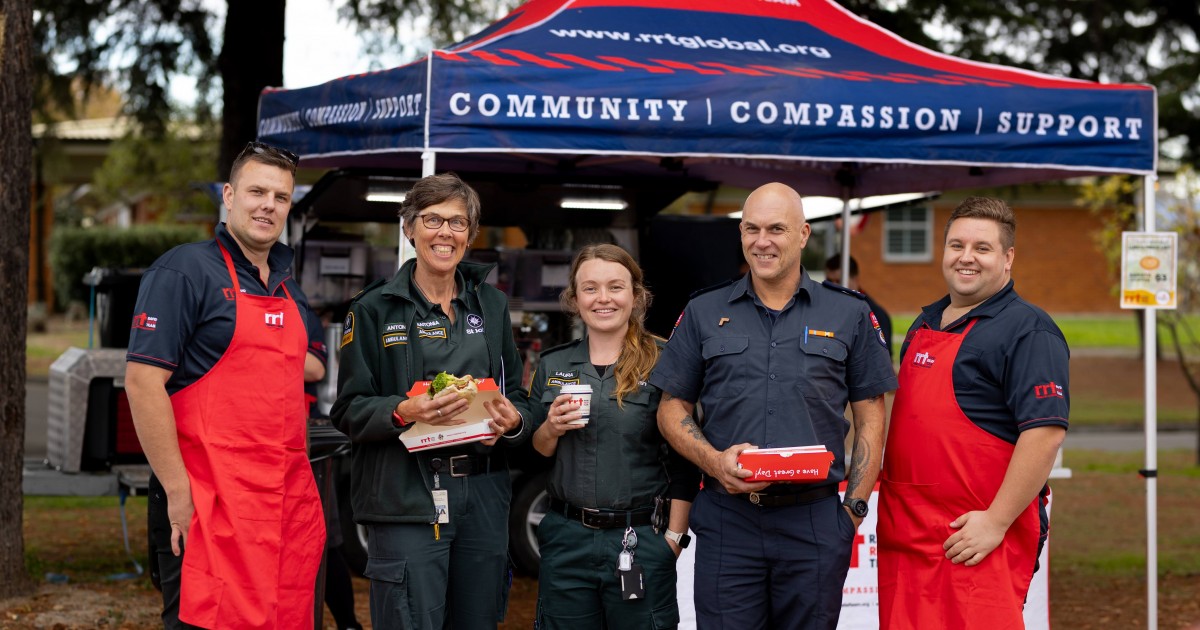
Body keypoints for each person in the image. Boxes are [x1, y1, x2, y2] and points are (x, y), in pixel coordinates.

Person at [650, 182, 897, 630]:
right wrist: (714, 461)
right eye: (751, 229)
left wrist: (853, 512)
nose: (762, 241)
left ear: (804, 234)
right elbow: (671, 408)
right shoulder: (704, 311)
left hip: (815, 523)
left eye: (776, 229)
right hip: (729, 521)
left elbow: (871, 417)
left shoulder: (849, 314)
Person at [127, 140, 327, 628]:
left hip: (282, 502)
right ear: (229, 196)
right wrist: (177, 491)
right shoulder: (184, 270)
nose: (268, 206)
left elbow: (310, 364)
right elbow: (141, 383)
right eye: (257, 192)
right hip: (207, 500)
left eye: (280, 197)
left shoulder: (287, 285)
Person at [331, 172, 527, 630]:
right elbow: (348, 408)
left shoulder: (491, 305)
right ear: (409, 228)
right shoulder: (373, 308)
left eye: (458, 223)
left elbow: (516, 394)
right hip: (407, 494)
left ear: (471, 234)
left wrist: (513, 420)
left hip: (482, 494)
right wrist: (403, 410)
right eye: (433, 219)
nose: (445, 233)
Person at [877, 197, 1069, 629]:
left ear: (1007, 257)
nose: (966, 258)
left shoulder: (1029, 330)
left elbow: (1045, 434)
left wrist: (996, 522)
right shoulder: (923, 324)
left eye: (982, 248)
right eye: (956, 245)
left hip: (975, 538)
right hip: (906, 535)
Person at [527, 244, 699, 629]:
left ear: (636, 296)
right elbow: (536, 453)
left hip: (640, 541)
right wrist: (551, 427)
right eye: (590, 288)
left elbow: (685, 461)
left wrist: (672, 538)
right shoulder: (553, 364)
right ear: (574, 298)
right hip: (566, 540)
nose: (603, 298)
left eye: (615, 287)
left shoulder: (667, 360)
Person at [825, 253, 894, 360]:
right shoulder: (825, 309)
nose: (834, 287)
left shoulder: (873, 314)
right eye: (829, 281)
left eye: (839, 281)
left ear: (855, 280)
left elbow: (882, 361)